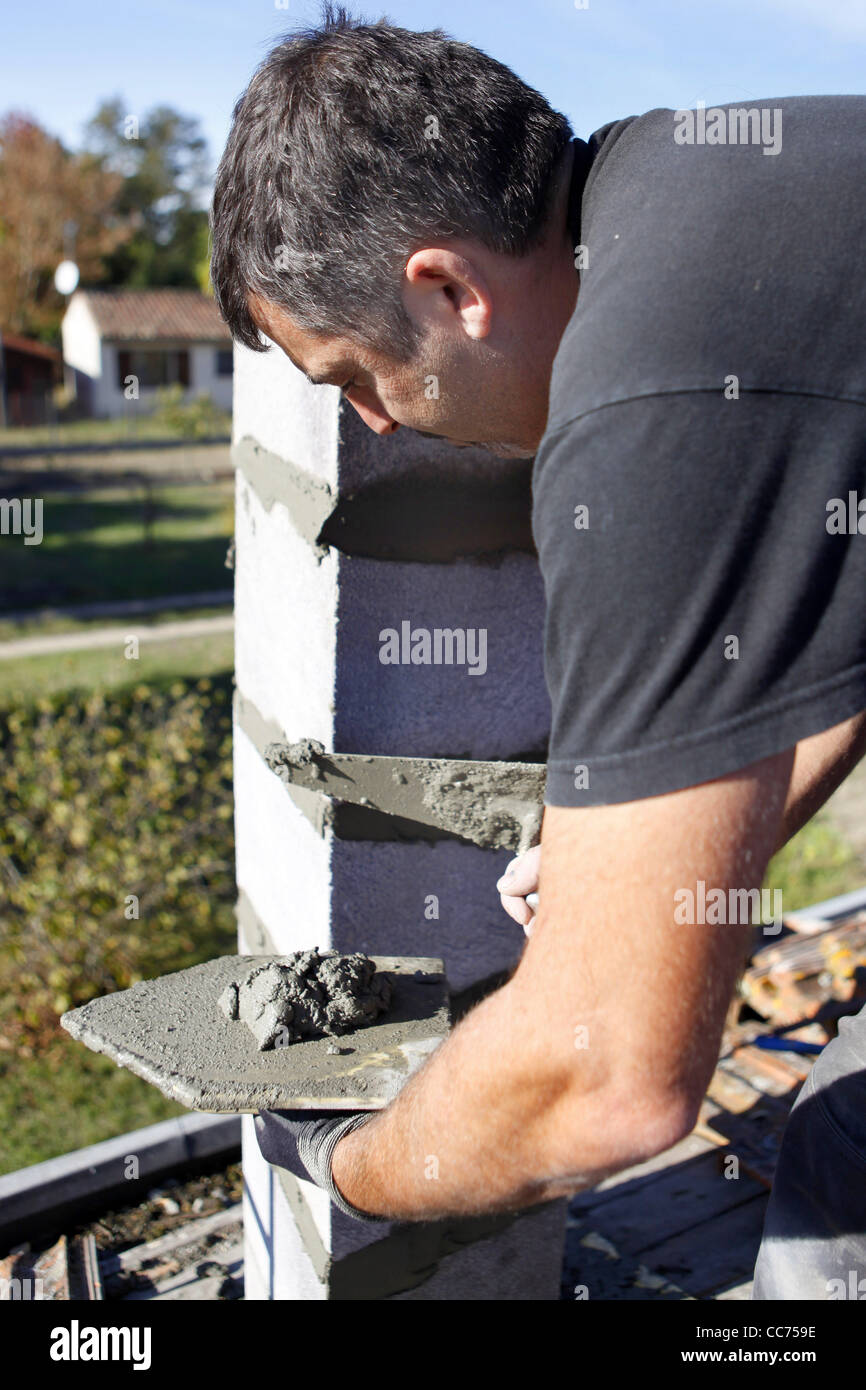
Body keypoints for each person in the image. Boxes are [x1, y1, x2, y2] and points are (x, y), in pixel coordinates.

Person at [210, 5, 866, 1299]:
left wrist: (342, 1166)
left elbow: (600, 1081)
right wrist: (651, 844)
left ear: (448, 287)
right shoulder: (742, 188)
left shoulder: (645, 410)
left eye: (353, 373)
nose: (366, 419)